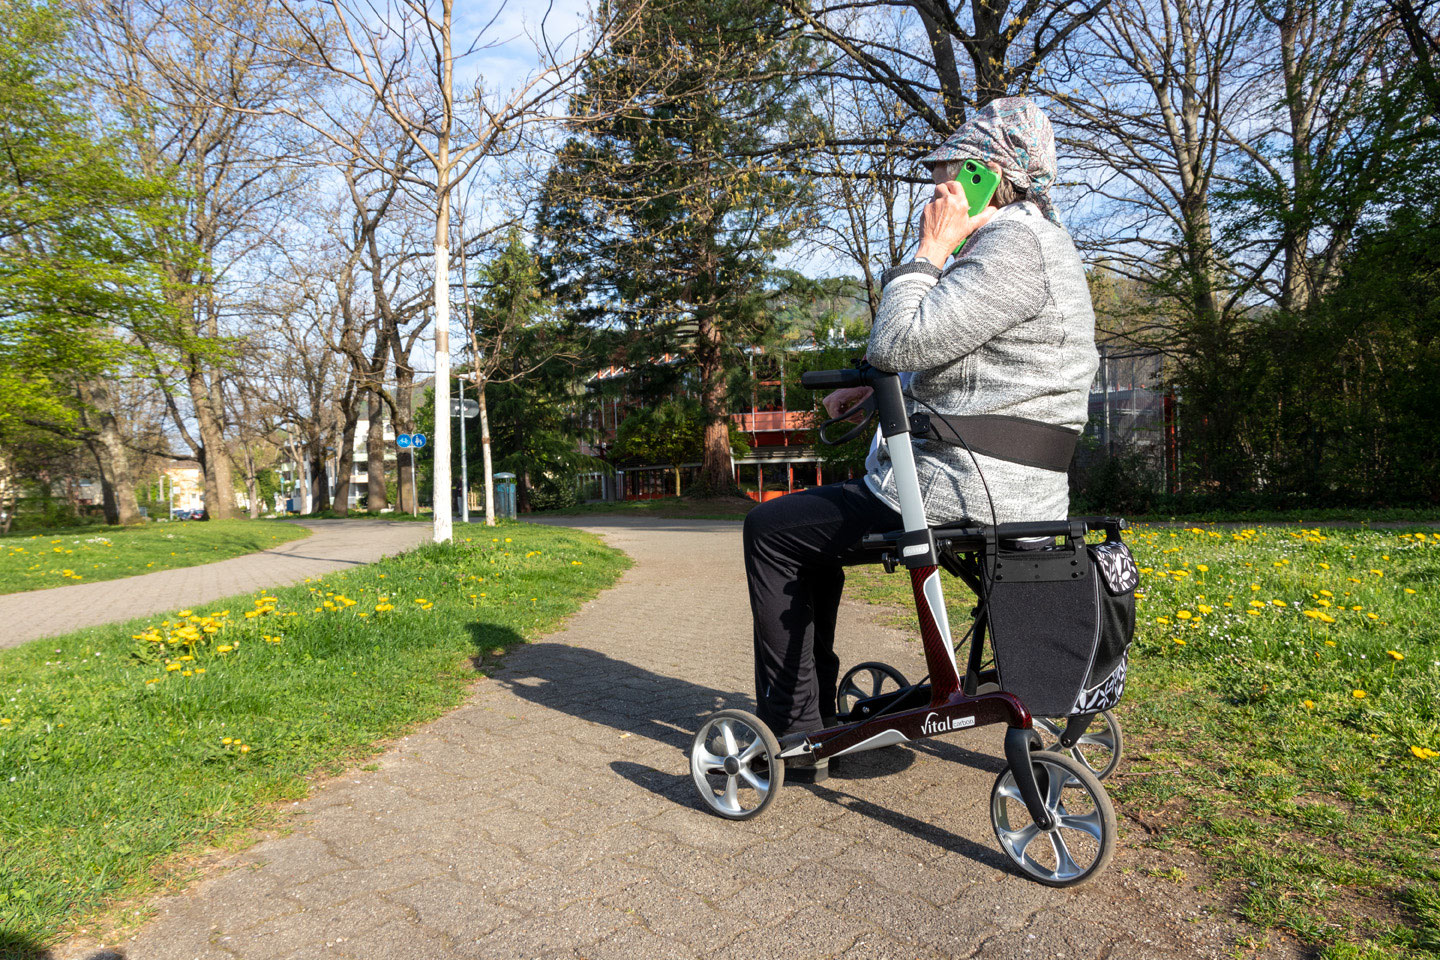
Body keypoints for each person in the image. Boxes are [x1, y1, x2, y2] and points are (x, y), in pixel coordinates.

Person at [742, 97, 1099, 780]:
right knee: (809, 536)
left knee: (772, 531)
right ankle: (815, 712)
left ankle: (796, 731)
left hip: (962, 487)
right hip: (1010, 484)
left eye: (947, 172)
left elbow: (900, 342)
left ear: (984, 178)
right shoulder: (1039, 244)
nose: (935, 186)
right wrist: (873, 387)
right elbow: (970, 364)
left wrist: (929, 251)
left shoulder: (1010, 246)